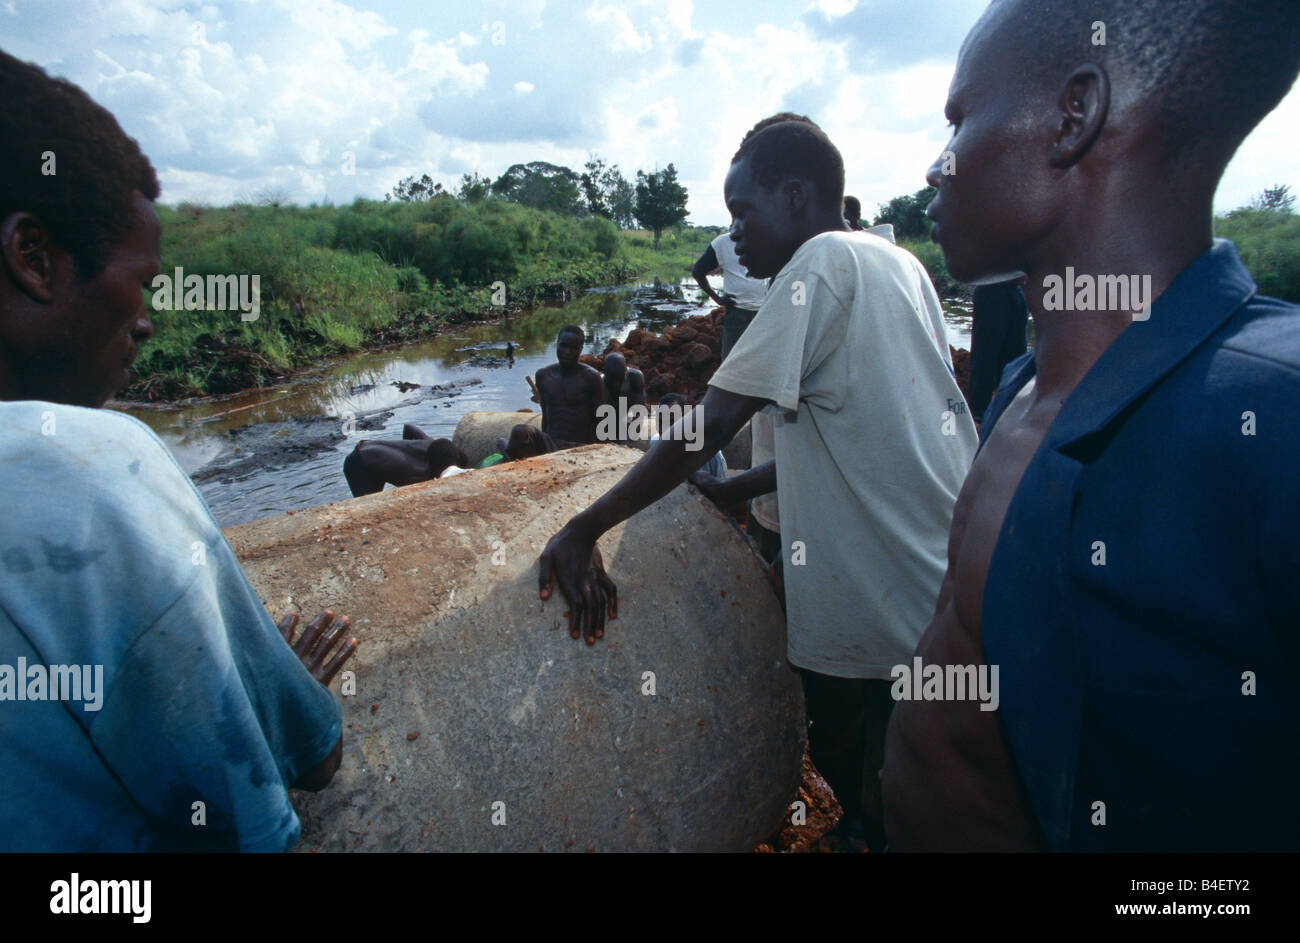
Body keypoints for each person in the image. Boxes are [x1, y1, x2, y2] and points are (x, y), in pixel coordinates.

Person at [881, 0, 1300, 852]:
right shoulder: (1025, 385)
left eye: (959, 120)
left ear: (1074, 116)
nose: (935, 167)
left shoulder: (1271, 414)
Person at [540, 113, 976, 852]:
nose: (734, 233)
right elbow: (861, 437)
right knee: (917, 773)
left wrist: (585, 524)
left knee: (858, 765)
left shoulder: (817, 268)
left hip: (880, 597)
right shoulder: (896, 263)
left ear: (797, 195)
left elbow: (703, 429)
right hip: (941, 580)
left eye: (742, 211)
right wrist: (731, 495)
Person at [0, 50, 355, 851]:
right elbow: (304, 760)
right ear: (33, 258)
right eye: (143, 282)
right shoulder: (89, 469)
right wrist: (269, 691)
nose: (148, 319)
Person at [691, 225, 769, 359]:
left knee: (760, 359)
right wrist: (717, 299)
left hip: (764, 312)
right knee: (730, 360)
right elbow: (698, 271)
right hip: (737, 311)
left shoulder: (767, 239)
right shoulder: (723, 243)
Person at [343, 425, 472, 496]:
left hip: (369, 447)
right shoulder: (421, 474)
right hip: (359, 463)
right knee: (368, 508)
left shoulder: (433, 444)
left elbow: (409, 428)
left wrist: (406, 448)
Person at [966, 277, 1028, 424]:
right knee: (985, 355)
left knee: (1016, 358)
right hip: (992, 288)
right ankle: (977, 415)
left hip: (1018, 290)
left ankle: (1009, 412)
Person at [532, 325, 604, 444]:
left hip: (580, 446)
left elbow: (599, 419)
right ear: (557, 344)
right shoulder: (543, 376)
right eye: (563, 346)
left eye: (573, 348)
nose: (567, 352)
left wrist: (594, 450)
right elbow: (546, 415)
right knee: (519, 432)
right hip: (552, 443)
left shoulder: (591, 377)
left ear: (581, 349)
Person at [599, 352, 646, 443]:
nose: (617, 384)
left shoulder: (635, 377)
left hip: (628, 421)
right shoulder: (598, 383)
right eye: (613, 380)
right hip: (607, 423)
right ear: (604, 371)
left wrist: (628, 438)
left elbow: (639, 411)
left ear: (625, 371)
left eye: (620, 380)